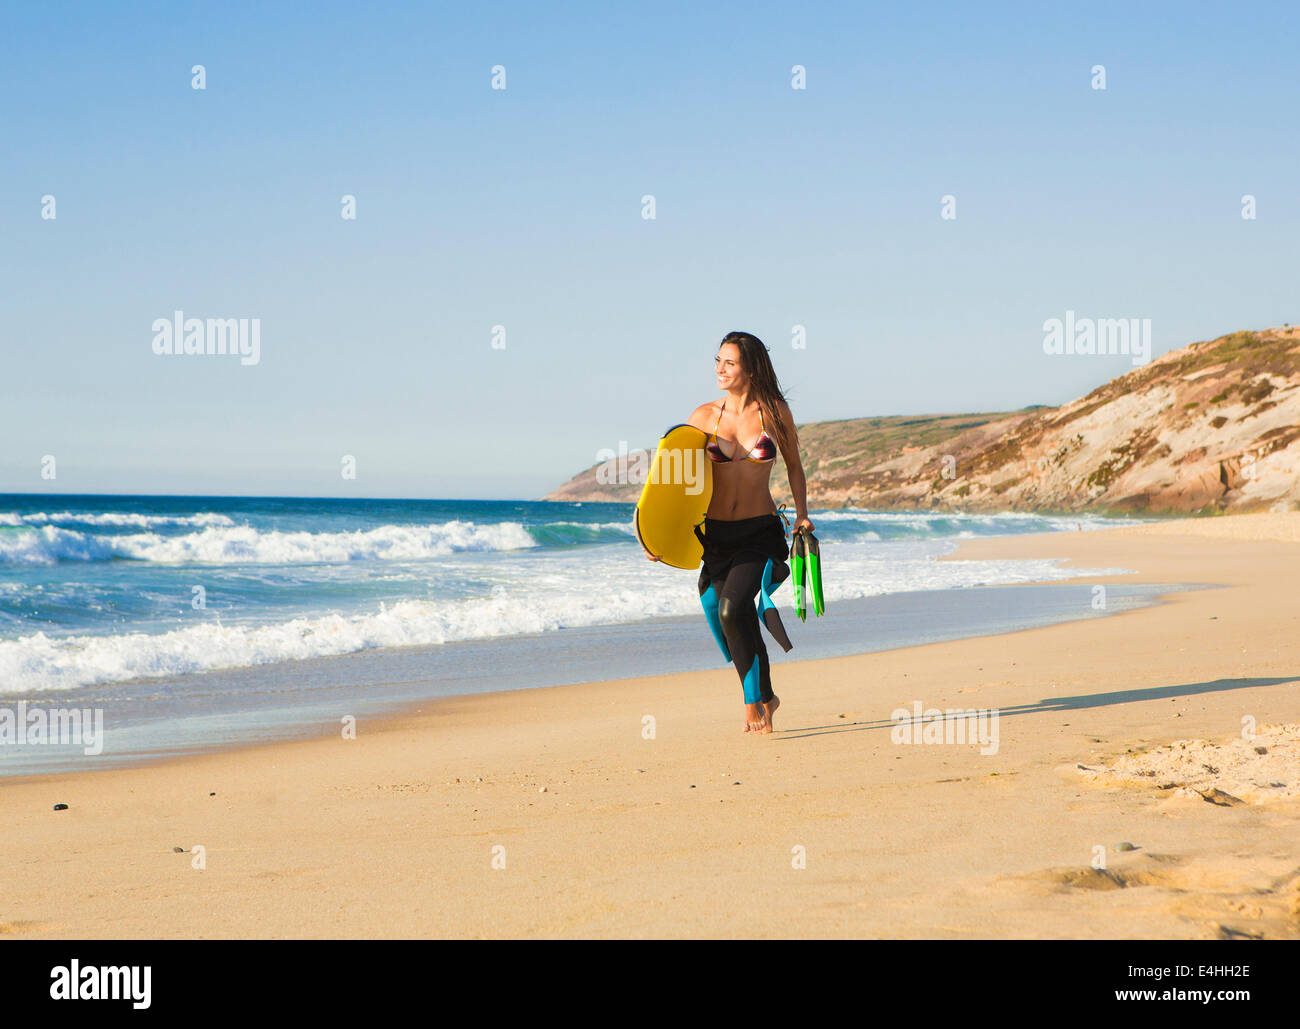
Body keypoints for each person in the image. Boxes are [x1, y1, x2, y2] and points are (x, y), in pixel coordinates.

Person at [645, 331, 814, 734]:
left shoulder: (774, 413)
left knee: (732, 608)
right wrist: (656, 535)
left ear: (750, 368)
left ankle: (752, 705)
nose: (720, 369)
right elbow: (674, 479)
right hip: (717, 534)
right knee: (726, 616)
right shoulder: (703, 418)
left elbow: (792, 465)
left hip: (759, 530)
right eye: (717, 361)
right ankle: (769, 696)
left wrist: (804, 514)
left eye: (730, 363)